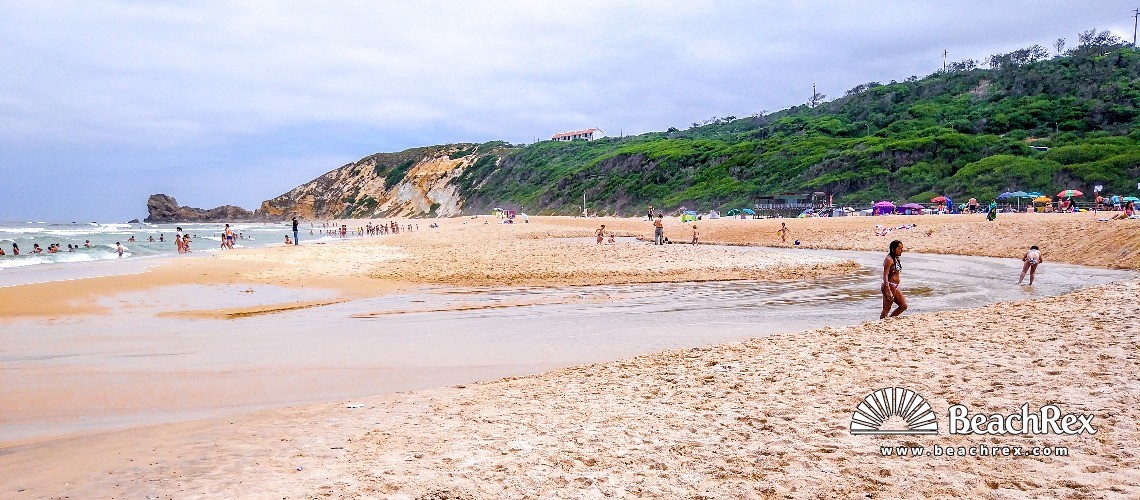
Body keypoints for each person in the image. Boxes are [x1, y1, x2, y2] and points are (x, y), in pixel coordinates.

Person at [880, 240, 907, 319]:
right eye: (899, 249)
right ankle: (882, 322)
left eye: (902, 249)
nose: (901, 250)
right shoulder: (889, 260)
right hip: (889, 285)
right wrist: (888, 290)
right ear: (893, 249)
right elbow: (885, 275)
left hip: (895, 286)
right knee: (886, 309)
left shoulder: (896, 259)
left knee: (903, 306)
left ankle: (889, 319)